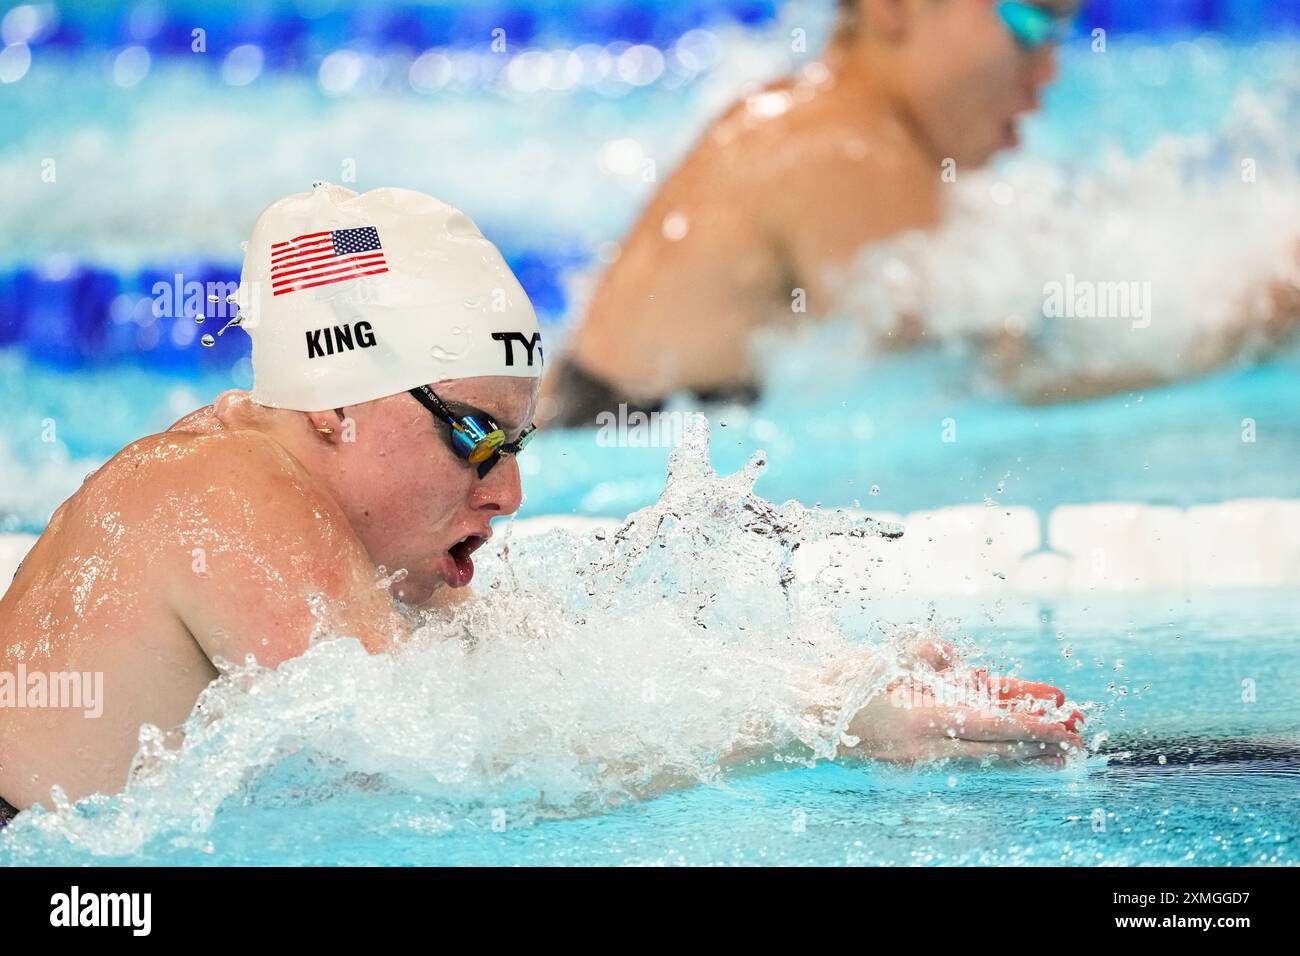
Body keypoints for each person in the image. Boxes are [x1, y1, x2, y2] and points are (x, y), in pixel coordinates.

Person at [0, 183, 1080, 820]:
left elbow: (533, 694)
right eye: (472, 435)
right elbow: (449, 770)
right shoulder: (232, 495)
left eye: (515, 441)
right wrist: (828, 723)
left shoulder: (363, 542)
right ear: (334, 404)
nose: (510, 489)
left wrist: (833, 674)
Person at [542, 0, 1297, 423]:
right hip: (623, 449)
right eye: (1031, 23)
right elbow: (987, 387)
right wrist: (1242, 333)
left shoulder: (830, 123)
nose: (1050, 71)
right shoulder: (845, 148)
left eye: (1065, 31)